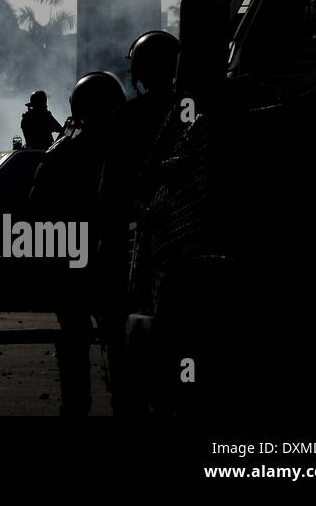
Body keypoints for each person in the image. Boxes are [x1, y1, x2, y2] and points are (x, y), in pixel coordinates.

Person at [29, 71, 125, 416]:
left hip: (74, 259)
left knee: (74, 338)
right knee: (119, 339)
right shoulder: (128, 148)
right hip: (116, 259)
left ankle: (76, 406)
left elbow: (38, 204)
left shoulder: (65, 151)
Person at [95, 30, 179, 415]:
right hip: (184, 251)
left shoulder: (128, 117)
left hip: (135, 250)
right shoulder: (195, 109)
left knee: (125, 363)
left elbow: (110, 196)